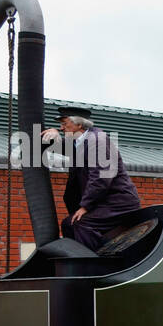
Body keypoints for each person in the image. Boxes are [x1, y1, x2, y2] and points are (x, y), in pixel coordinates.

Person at [41, 106, 141, 251]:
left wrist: (85, 206)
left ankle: (93, 263)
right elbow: (58, 146)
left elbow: (101, 177)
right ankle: (74, 261)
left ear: (79, 125)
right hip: (104, 202)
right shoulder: (79, 142)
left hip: (118, 203)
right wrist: (52, 133)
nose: (62, 128)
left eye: (64, 124)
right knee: (68, 224)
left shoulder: (97, 140)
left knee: (82, 224)